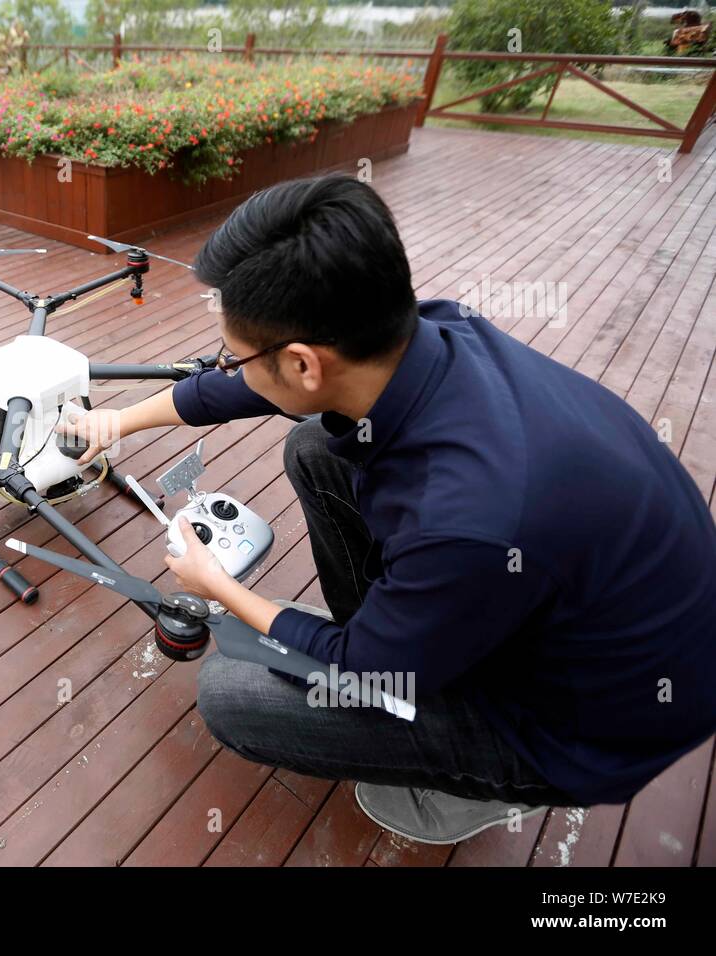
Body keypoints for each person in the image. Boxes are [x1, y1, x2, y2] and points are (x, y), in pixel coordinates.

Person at [58, 174, 716, 845]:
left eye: (237, 354)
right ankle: (402, 637)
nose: (230, 366)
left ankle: (469, 780)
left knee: (233, 691)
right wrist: (118, 422)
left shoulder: (469, 519)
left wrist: (217, 587)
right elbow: (253, 390)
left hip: (589, 724)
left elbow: (364, 667)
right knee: (317, 445)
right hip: (580, 608)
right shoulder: (430, 329)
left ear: (304, 364)